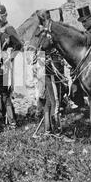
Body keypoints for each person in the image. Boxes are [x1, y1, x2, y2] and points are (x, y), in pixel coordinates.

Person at [35, 10, 75, 142]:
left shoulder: (47, 32)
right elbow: (41, 49)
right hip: (51, 71)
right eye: (46, 18)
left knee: (49, 103)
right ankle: (57, 133)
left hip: (54, 70)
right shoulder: (44, 34)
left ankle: (47, 130)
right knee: (55, 102)